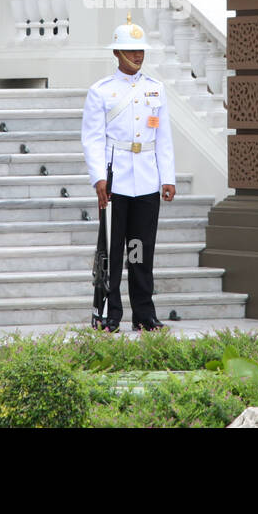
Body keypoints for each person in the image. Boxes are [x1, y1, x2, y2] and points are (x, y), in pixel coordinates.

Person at [81, 17, 176, 331]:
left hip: (147, 178)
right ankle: (107, 313)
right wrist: (98, 179)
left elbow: (163, 137)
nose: (138, 56)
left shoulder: (155, 89)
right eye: (131, 50)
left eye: (141, 51)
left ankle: (144, 314)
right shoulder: (101, 91)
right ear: (118, 53)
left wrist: (168, 178)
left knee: (140, 249)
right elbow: (92, 137)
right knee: (111, 249)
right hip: (115, 178)